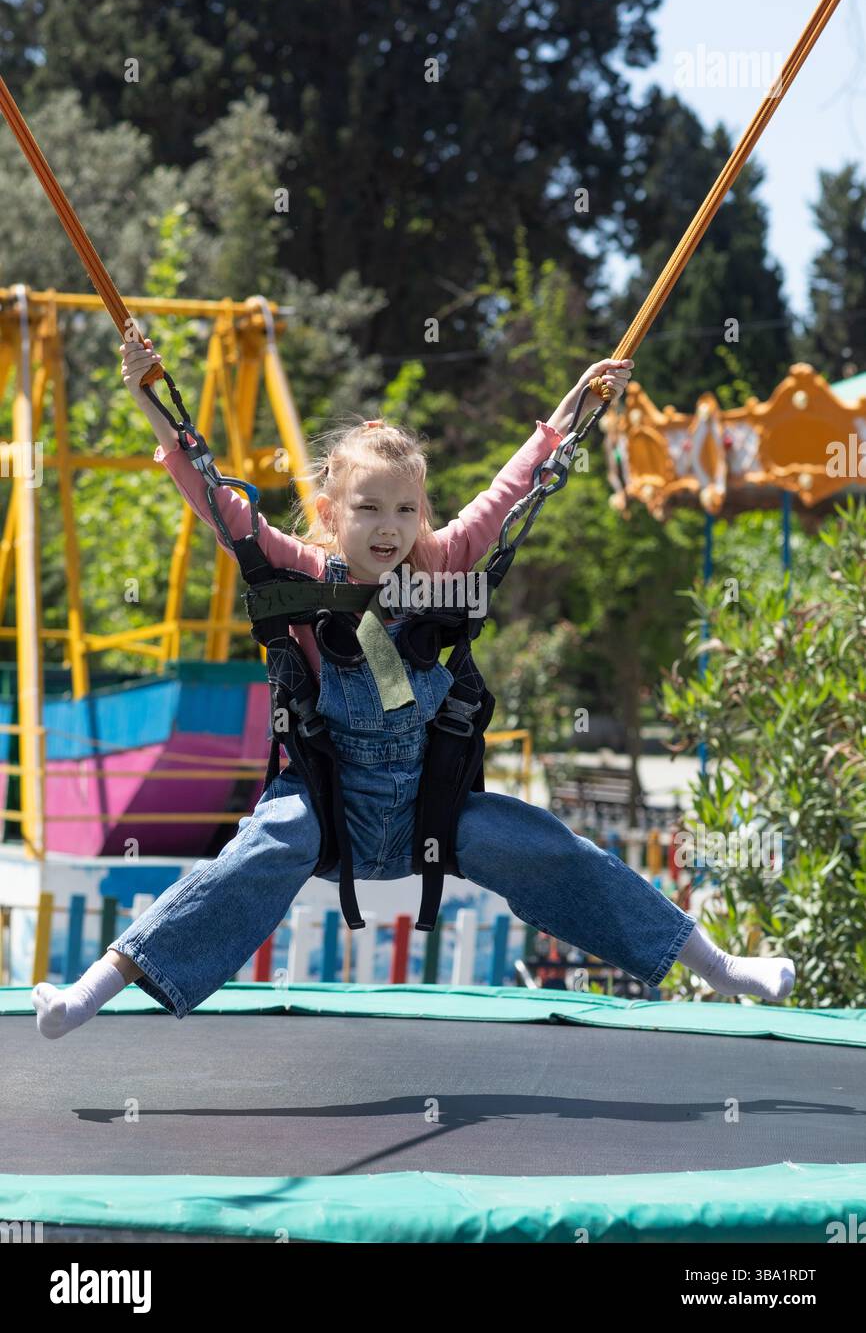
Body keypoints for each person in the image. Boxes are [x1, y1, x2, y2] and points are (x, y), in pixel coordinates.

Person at [31, 344, 795, 1037]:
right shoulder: (299, 571)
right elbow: (218, 503)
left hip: (433, 814)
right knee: (260, 848)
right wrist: (150, 400)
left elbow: (513, 488)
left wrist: (577, 404)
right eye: (368, 509)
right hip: (324, 809)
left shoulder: (445, 561)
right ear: (332, 514)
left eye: (405, 509)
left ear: (422, 514)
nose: (389, 526)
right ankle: (89, 993)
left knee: (551, 847)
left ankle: (720, 968)